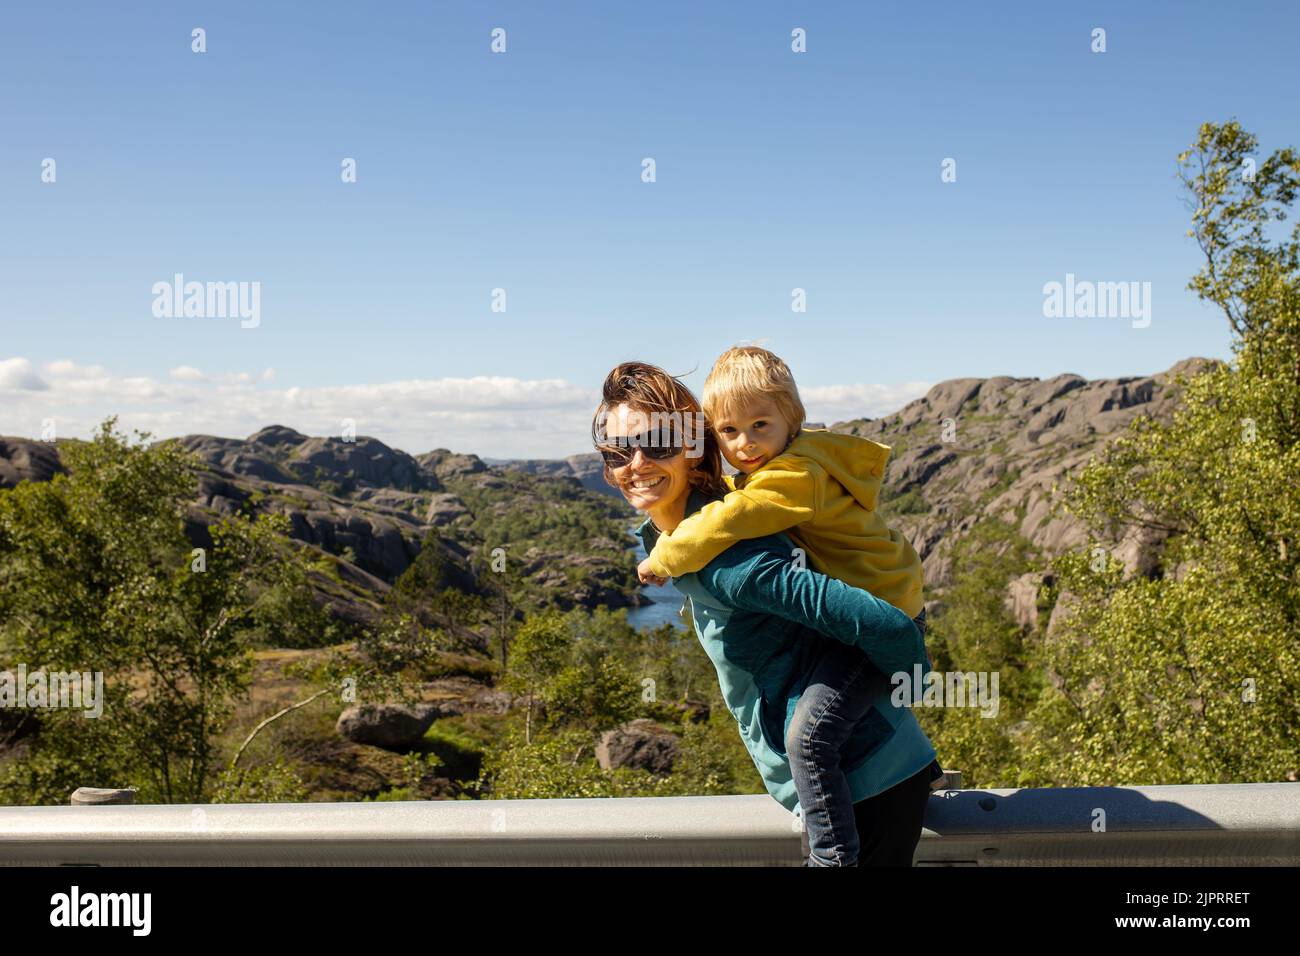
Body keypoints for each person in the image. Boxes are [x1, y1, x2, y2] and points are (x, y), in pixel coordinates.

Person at [594, 360, 937, 866]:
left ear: (694, 449)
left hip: (866, 784)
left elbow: (883, 622)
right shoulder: (687, 531)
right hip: (852, 780)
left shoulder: (728, 559)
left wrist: (914, 679)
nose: (637, 462)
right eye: (619, 450)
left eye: (660, 443)